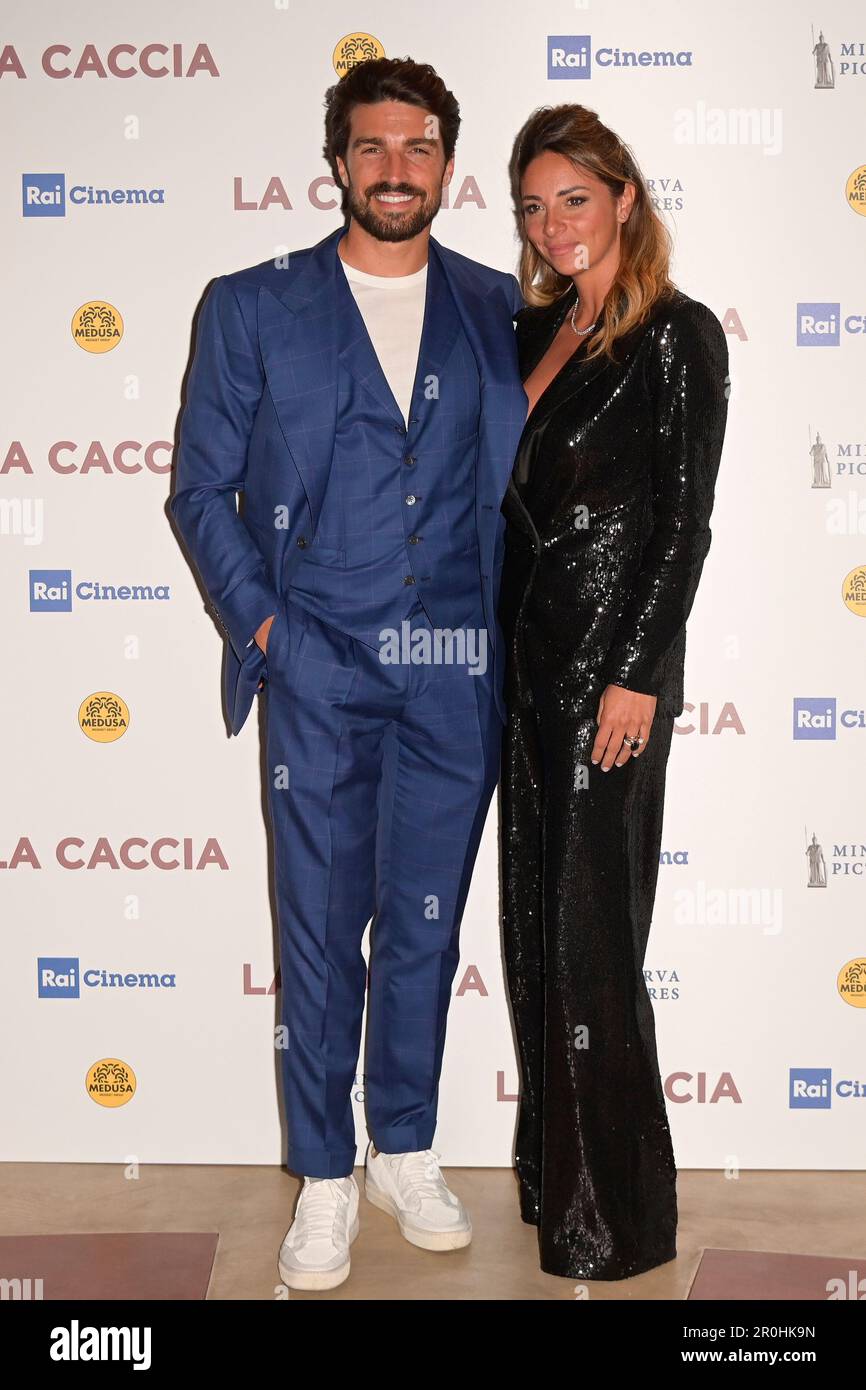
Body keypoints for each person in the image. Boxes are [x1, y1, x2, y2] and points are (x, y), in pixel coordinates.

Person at [170, 57, 528, 1291]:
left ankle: (405, 1146)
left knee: (423, 926)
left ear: (445, 164)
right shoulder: (252, 305)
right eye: (371, 146)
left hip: (453, 671)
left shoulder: (499, 302)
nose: (393, 167)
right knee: (319, 933)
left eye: (417, 146)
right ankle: (324, 1174)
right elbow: (198, 488)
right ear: (337, 162)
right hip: (315, 663)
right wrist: (267, 634)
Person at [498, 103, 730, 1280]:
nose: (552, 224)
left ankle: (618, 1222)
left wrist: (636, 674)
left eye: (572, 198)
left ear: (623, 198)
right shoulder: (532, 325)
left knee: (590, 946)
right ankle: (554, 1187)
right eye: (533, 205)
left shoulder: (676, 336)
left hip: (606, 680)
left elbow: (680, 527)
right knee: (535, 935)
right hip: (522, 673)